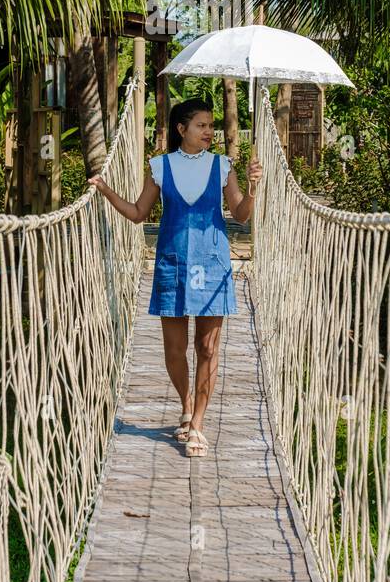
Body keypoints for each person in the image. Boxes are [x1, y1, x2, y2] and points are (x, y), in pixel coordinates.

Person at [89, 97, 263, 459]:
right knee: (173, 350)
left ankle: (197, 422)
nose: (209, 132)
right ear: (181, 129)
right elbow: (138, 213)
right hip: (172, 264)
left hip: (212, 265)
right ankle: (186, 403)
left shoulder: (222, 166)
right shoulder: (161, 167)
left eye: (211, 125)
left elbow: (241, 215)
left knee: (207, 347)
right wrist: (105, 190)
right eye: (201, 125)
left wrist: (253, 186)